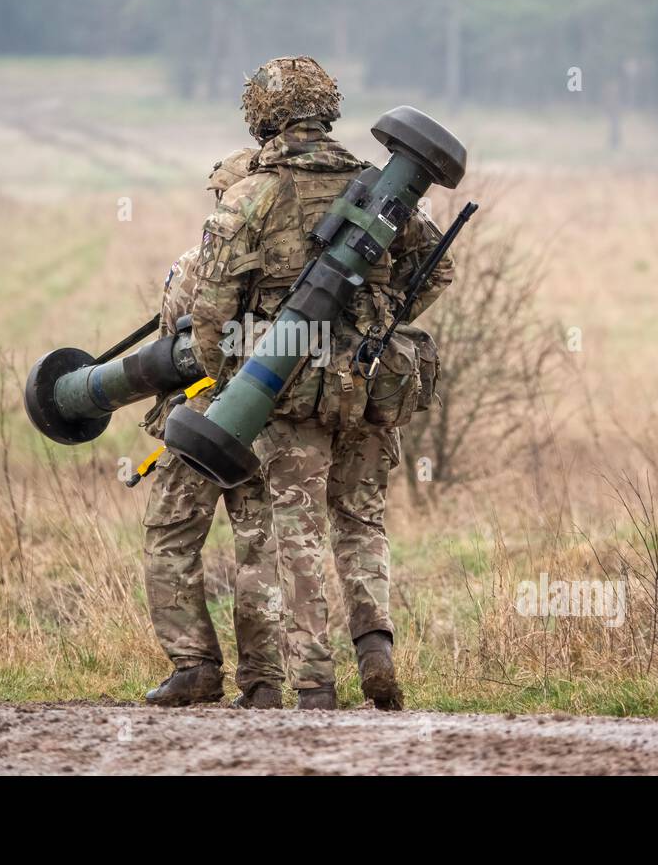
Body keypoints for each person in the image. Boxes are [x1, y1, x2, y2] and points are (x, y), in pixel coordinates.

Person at [188, 56, 454, 709]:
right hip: (367, 384)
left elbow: (210, 309)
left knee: (295, 531)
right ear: (326, 108)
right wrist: (382, 318)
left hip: (284, 393)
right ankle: (375, 654)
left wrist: (231, 377)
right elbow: (437, 270)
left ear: (263, 117)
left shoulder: (250, 194)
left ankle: (313, 682)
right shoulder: (377, 185)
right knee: (362, 522)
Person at [141, 149, 287, 709]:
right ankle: (265, 682)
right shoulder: (295, 270)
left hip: (199, 420)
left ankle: (194, 666)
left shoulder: (198, 260)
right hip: (264, 422)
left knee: (171, 534)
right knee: (261, 545)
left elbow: (174, 341)